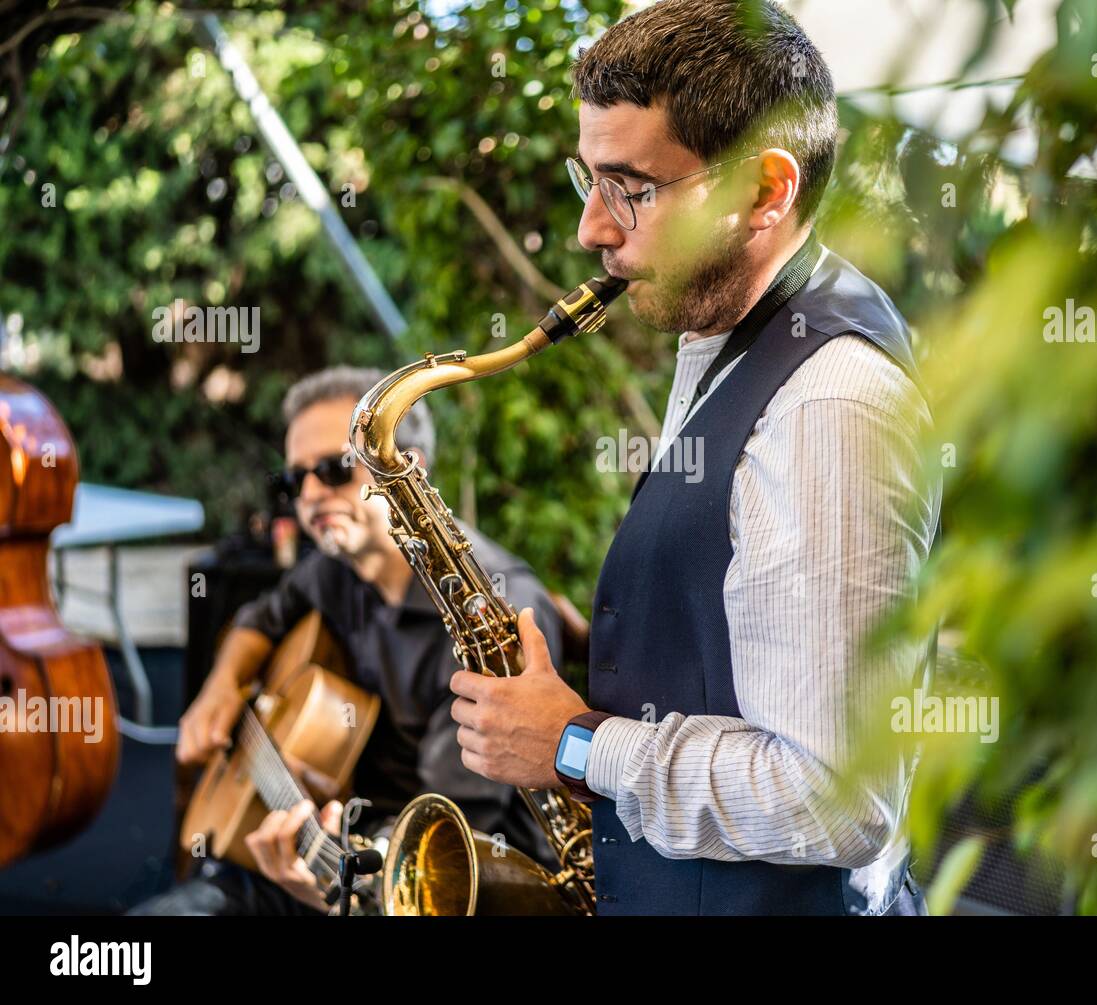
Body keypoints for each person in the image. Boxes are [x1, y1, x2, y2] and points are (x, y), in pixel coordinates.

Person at [448, 0, 941, 916]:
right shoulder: (736, 329)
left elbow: (842, 797)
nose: (593, 229)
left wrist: (576, 745)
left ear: (764, 191)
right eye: (587, 178)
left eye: (631, 187)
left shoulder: (830, 406)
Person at [131, 366, 562, 915]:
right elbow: (258, 617)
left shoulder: (490, 613)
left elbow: (449, 830)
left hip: (446, 884)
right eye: (293, 481)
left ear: (407, 473)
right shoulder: (335, 568)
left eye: (335, 469)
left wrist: (334, 875)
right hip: (327, 845)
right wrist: (222, 687)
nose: (309, 495)